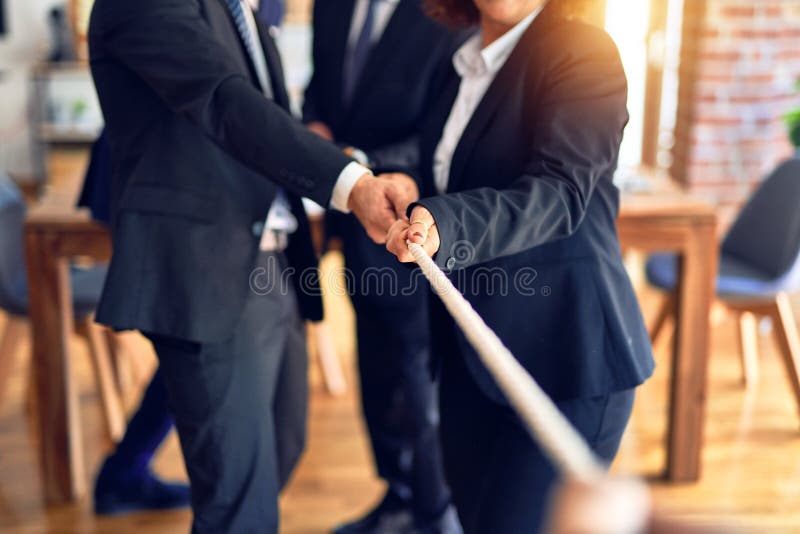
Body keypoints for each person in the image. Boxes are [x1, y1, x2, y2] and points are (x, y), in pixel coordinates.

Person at [87, 0, 417, 531]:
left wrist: (326, 148)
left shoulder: (240, 9)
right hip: (205, 271)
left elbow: (266, 117)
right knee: (238, 503)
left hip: (277, 263)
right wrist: (352, 183)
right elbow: (224, 101)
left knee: (283, 448)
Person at [386, 0, 655, 531]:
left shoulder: (585, 53)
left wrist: (447, 223)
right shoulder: (457, 63)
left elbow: (559, 193)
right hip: (472, 355)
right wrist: (389, 178)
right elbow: (437, 160)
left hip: (566, 359)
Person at [302, 2, 460, 532]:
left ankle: (434, 511)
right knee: (373, 364)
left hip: (411, 220)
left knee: (416, 378)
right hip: (352, 224)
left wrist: (355, 162)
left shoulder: (449, 11)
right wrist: (313, 127)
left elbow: (445, 129)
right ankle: (395, 495)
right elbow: (320, 88)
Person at [79, 131, 190, 515]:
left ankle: (126, 471)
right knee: (187, 351)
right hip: (151, 181)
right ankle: (124, 473)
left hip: (148, 177)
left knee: (185, 353)